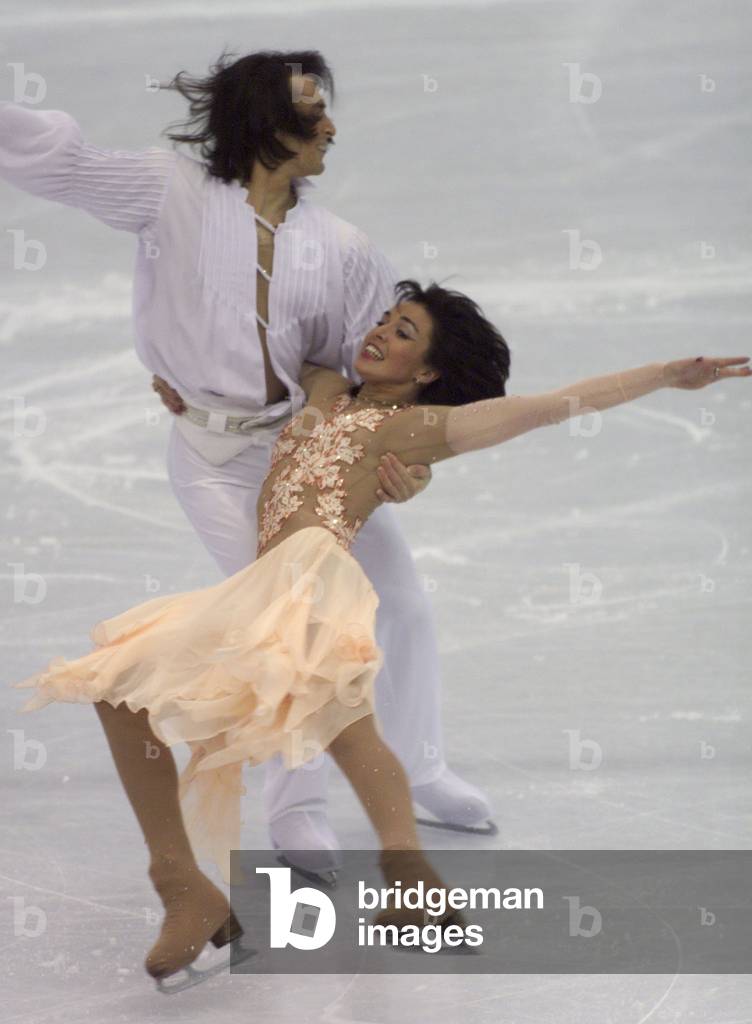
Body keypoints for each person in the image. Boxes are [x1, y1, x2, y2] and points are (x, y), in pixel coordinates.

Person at [14, 276, 750, 986]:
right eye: (386, 320)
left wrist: (661, 374)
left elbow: (548, 406)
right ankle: (402, 883)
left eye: (405, 333)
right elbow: (248, 349)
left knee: (133, 687)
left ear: (428, 371)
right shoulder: (327, 389)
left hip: (309, 580)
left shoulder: (414, 429)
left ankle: (186, 885)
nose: (380, 333)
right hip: (271, 583)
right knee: (330, 728)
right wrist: (186, 388)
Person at [0, 49, 496, 897]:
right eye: (314, 111)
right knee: (290, 622)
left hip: (314, 451)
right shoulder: (171, 194)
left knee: (404, 606)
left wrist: (396, 459)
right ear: (266, 122)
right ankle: (294, 801)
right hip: (215, 459)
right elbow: (65, 162)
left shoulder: (342, 246)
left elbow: (364, 365)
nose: (331, 127)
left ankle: (418, 764)